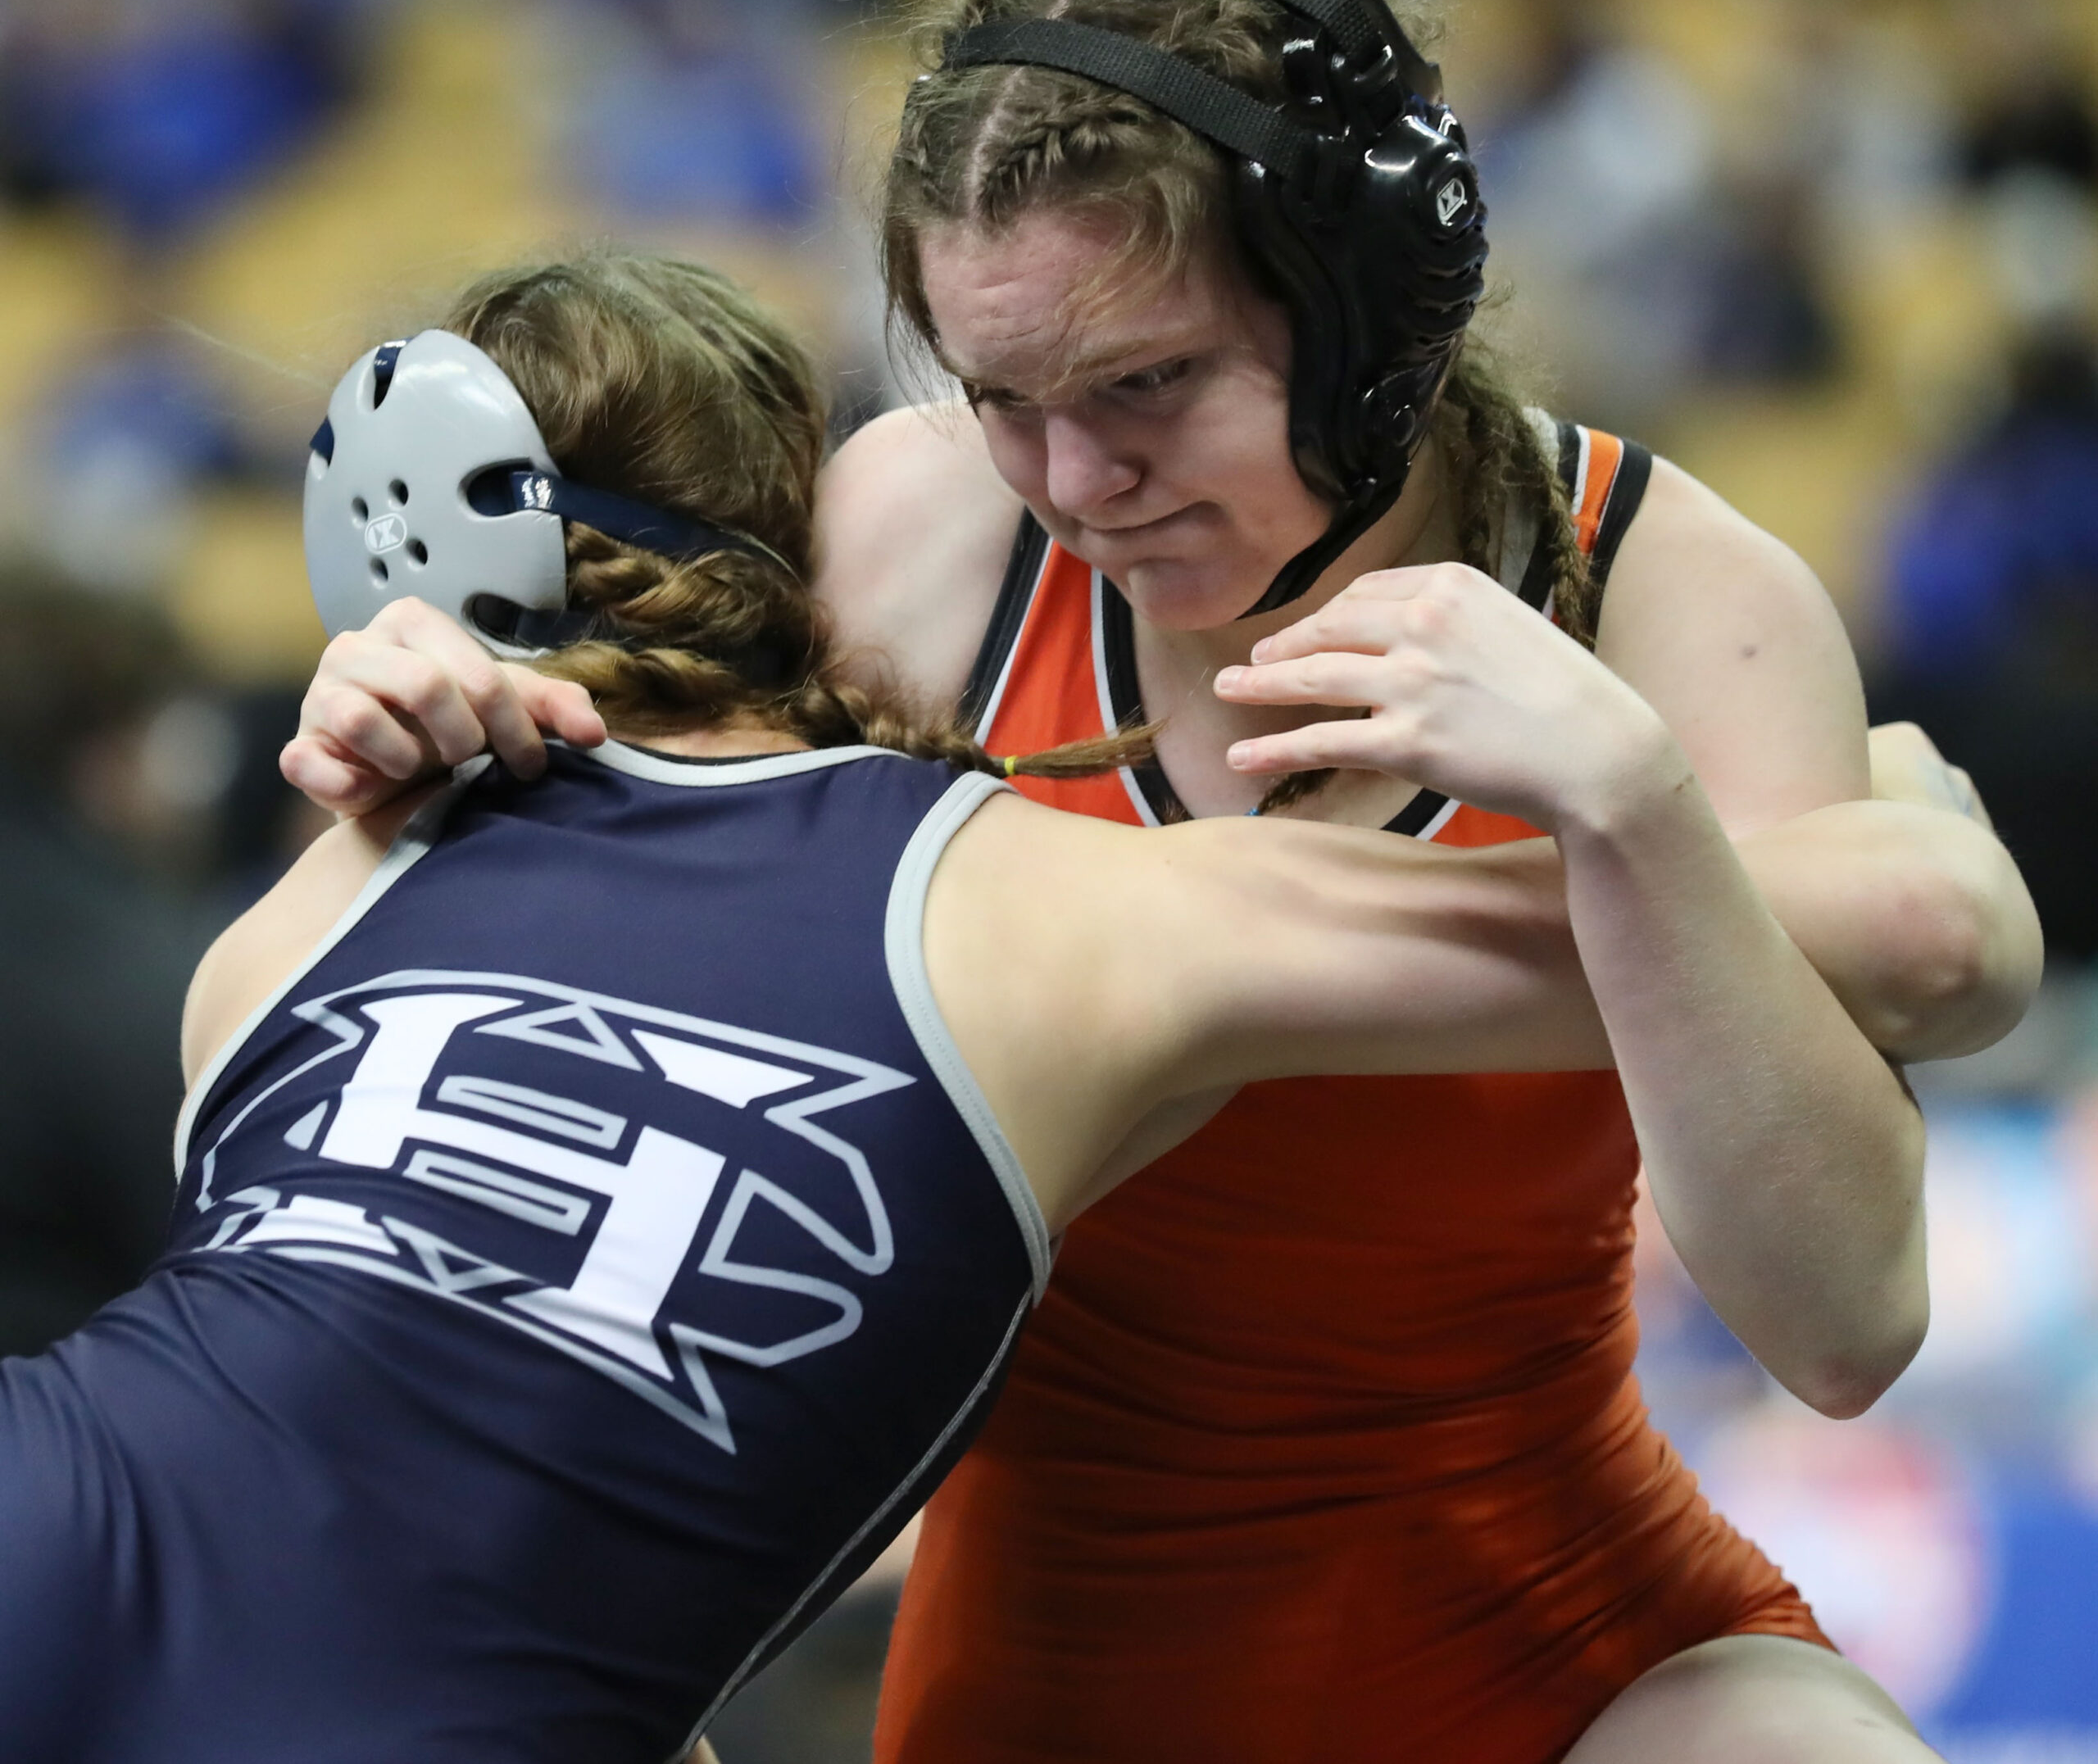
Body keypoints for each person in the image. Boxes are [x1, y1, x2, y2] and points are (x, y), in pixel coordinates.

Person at [282, 0, 2041, 1764]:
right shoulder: (935, 531)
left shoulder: (1669, 593)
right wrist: (430, 769)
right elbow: (617, 1011)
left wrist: (1624, 798)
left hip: (1559, 1636)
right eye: (1000, 394)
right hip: (1042, 1675)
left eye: (1145, 384)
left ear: (1374, 309)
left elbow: (1840, 1332)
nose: (1073, 479)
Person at [1, 249, 1978, 1762]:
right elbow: (1900, 945)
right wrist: (1890, 820)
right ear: (816, 575)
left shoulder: (300, 912)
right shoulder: (1061, 904)